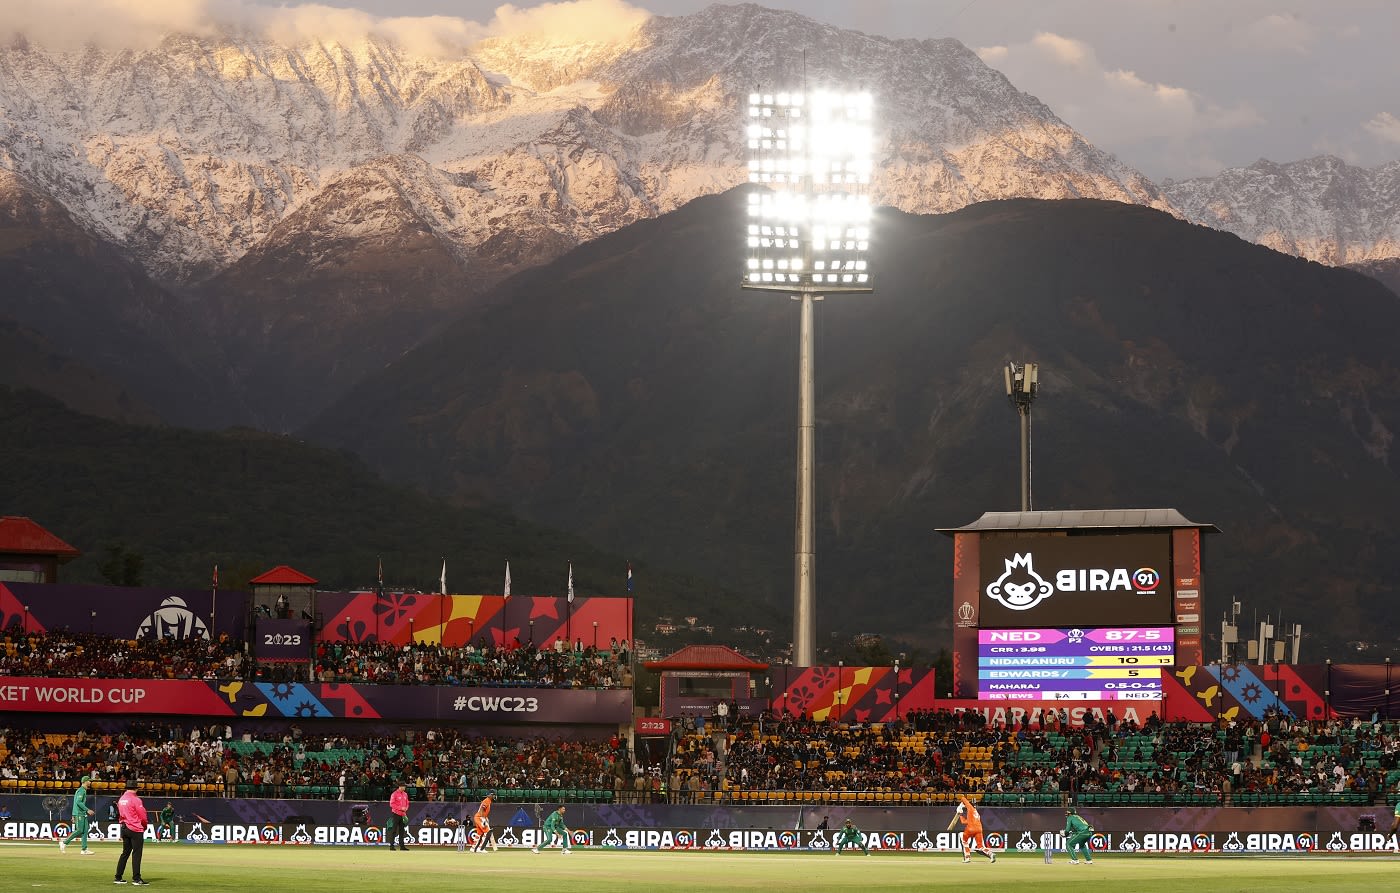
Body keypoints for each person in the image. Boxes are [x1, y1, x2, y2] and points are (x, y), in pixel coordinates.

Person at [114, 778, 149, 886]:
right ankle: (136, 878)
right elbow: (142, 816)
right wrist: (144, 825)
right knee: (137, 854)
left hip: (124, 827)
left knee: (125, 853)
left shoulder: (121, 799)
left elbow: (120, 813)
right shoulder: (136, 800)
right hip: (135, 828)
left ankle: (118, 877)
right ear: (136, 789)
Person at [946, 795, 995, 863]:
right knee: (980, 846)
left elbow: (963, 798)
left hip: (971, 829)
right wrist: (960, 814)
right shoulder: (976, 813)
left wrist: (960, 806)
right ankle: (990, 854)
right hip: (979, 829)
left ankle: (967, 857)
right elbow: (964, 822)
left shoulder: (970, 808)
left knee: (964, 841)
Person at [59, 775, 95, 854]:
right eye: (89, 781)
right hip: (80, 813)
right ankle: (64, 842)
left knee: (85, 830)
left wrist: (73, 814)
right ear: (85, 782)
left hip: (82, 813)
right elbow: (78, 802)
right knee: (80, 830)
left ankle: (84, 849)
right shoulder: (81, 790)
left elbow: (75, 802)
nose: (90, 782)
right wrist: (87, 810)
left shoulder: (83, 790)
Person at [388, 782, 410, 851]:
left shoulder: (405, 794)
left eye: (405, 786)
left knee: (402, 831)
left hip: (403, 815)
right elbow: (391, 804)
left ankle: (402, 846)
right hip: (396, 814)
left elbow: (407, 803)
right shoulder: (394, 794)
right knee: (394, 830)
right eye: (403, 786)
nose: (404, 788)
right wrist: (401, 808)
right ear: (400, 787)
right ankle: (391, 846)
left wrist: (406, 808)